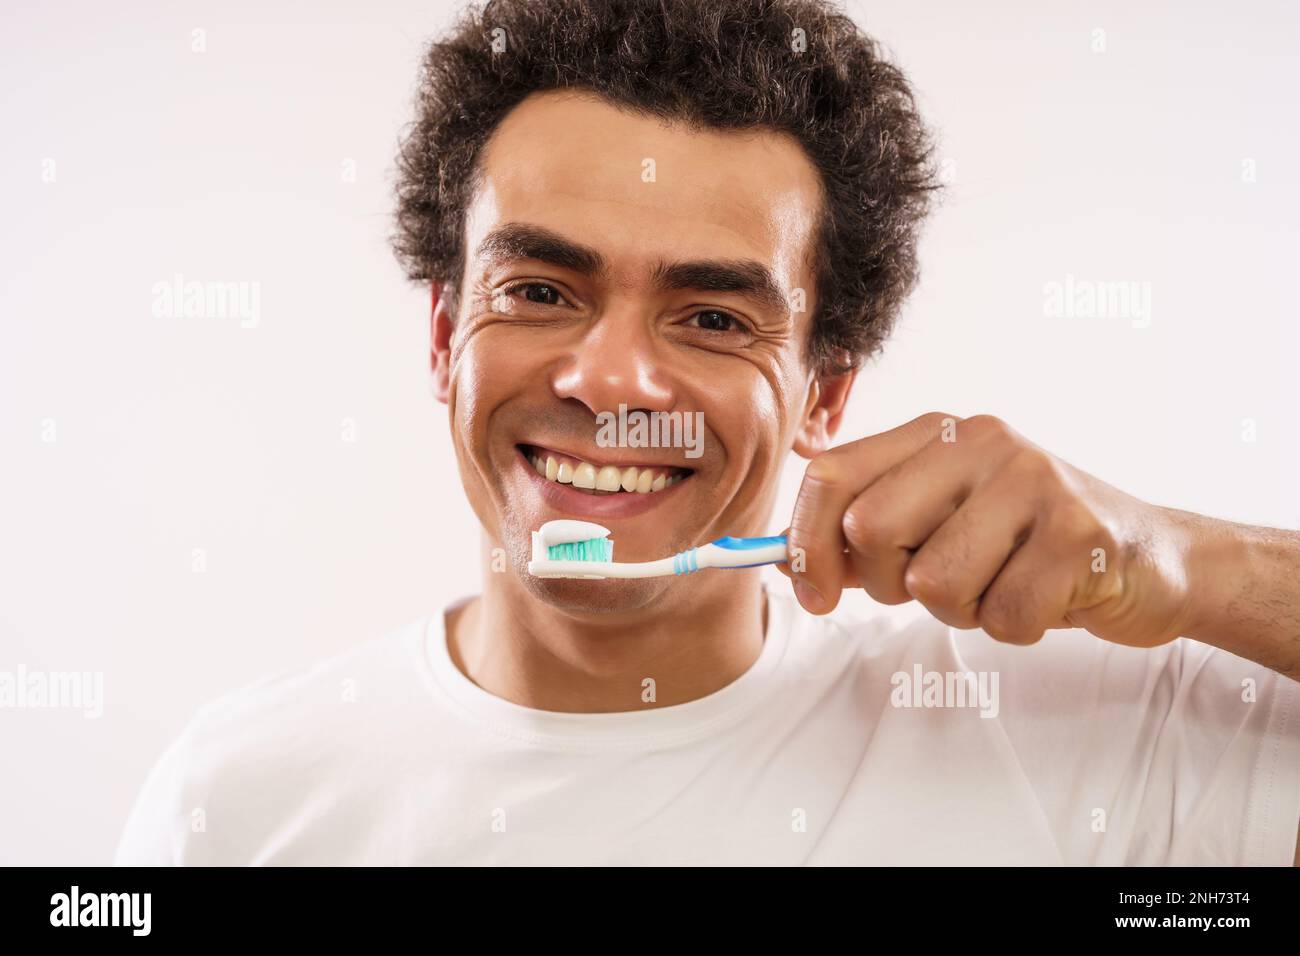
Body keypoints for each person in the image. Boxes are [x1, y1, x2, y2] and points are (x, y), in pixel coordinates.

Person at [115, 0, 1300, 866]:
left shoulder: (1090, 738)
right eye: (539, 290)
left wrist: (1188, 563)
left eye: (713, 314)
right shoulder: (238, 802)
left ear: (823, 393)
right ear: (441, 334)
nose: (611, 376)